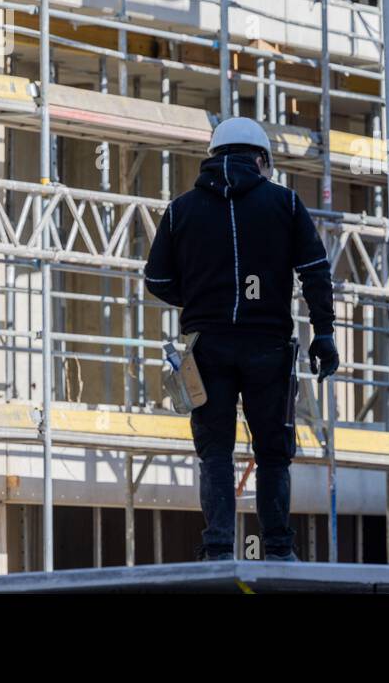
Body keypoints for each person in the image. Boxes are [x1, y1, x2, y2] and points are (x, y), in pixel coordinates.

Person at [144, 116, 340, 562]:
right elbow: (314, 273)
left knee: (215, 450)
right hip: (267, 346)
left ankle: (217, 549)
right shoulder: (285, 204)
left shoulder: (181, 209)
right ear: (259, 159)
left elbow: (156, 278)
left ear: (213, 157)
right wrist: (324, 334)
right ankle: (277, 549)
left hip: (207, 346)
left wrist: (197, 297)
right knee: (273, 451)